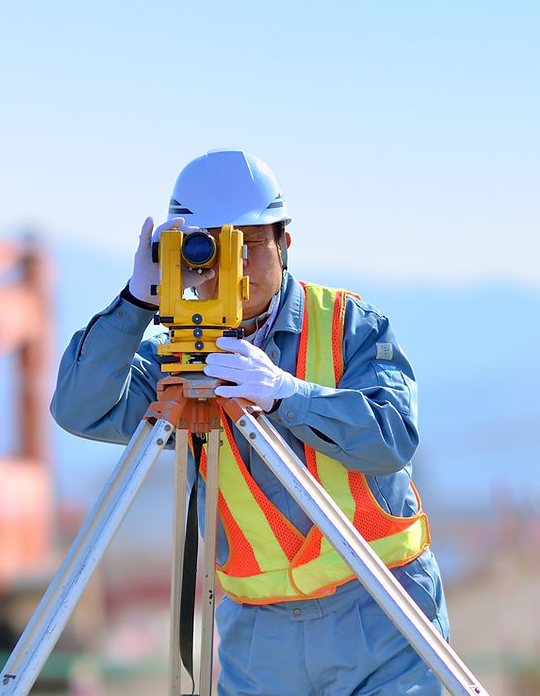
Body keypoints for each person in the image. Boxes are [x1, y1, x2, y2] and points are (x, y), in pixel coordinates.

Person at [50, 149, 448, 695]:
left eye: (251, 243)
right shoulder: (181, 360)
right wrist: (135, 303)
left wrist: (290, 396)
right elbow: (79, 407)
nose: (233, 266)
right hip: (259, 638)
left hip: (378, 611)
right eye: (210, 246)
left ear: (285, 242)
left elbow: (394, 436)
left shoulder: (346, 327)